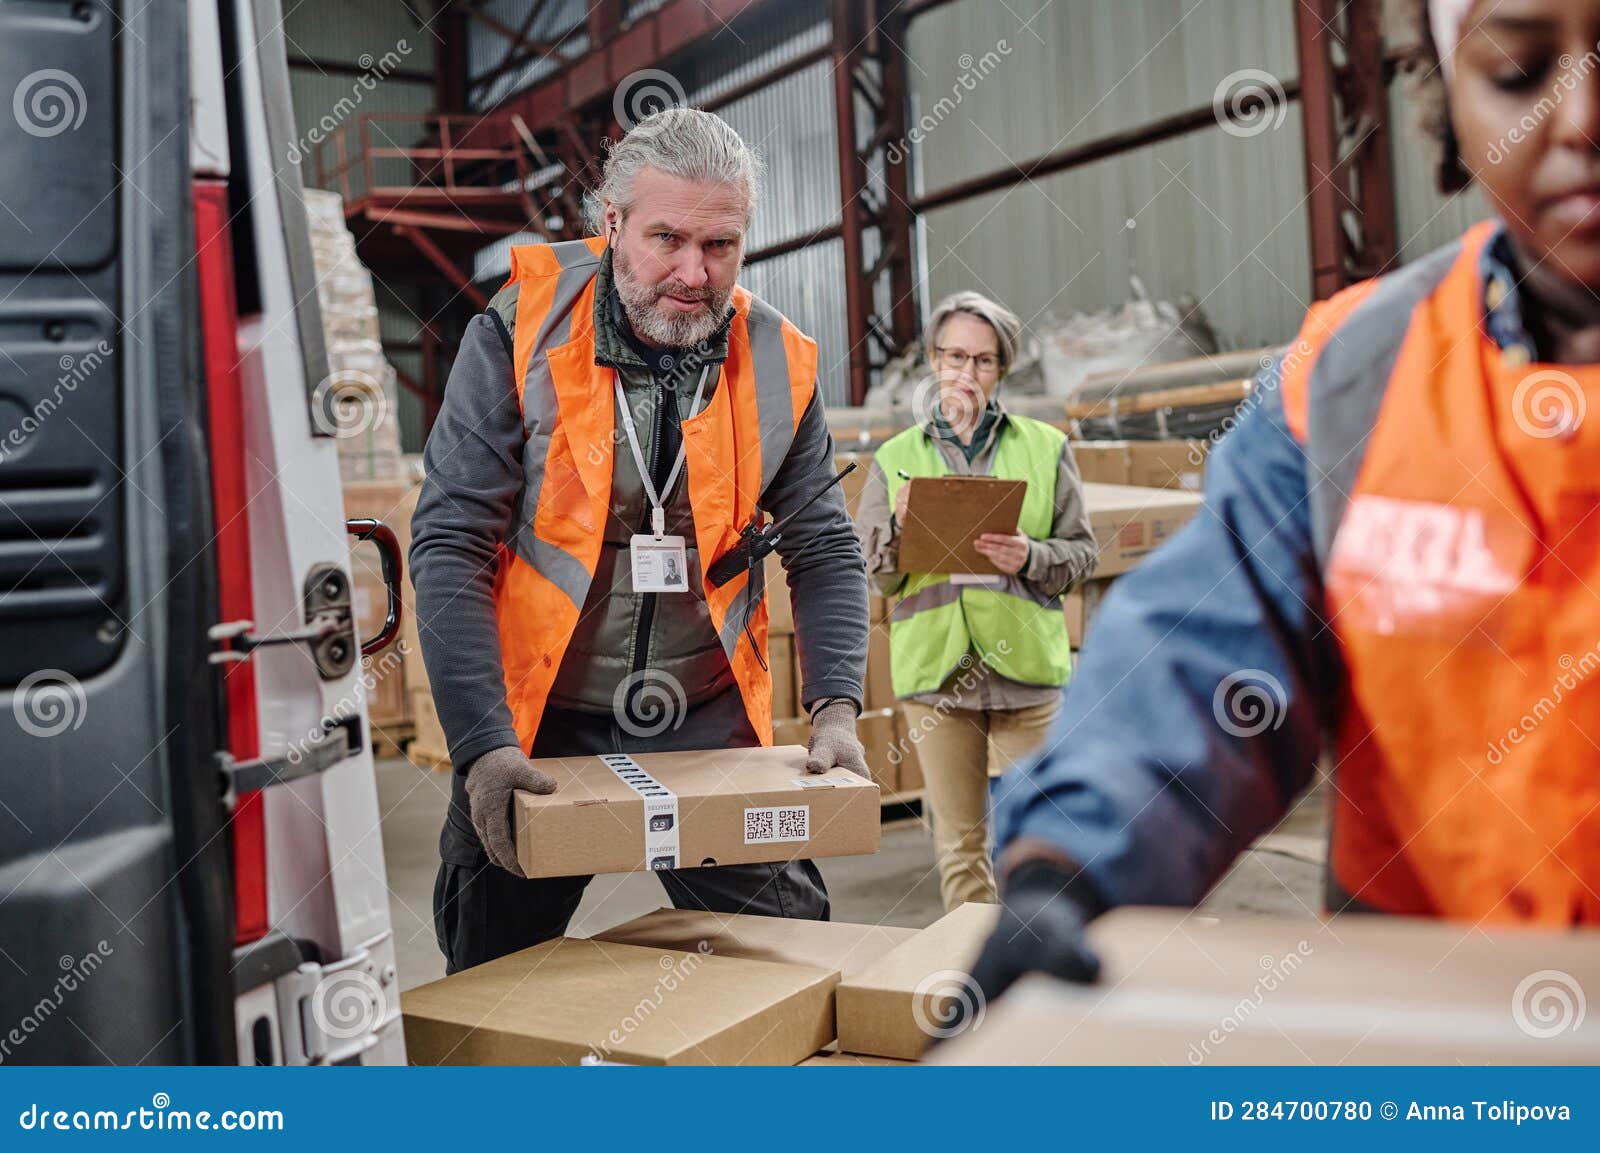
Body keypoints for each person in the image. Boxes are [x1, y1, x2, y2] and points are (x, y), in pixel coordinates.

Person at [966, 0, 1600, 1005]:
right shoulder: (1356, 376)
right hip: (1436, 1049)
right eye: (1519, 72)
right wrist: (1073, 862)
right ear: (1448, 104)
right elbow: (1212, 647)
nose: (1580, 119)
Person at [411, 108, 870, 975]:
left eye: (722, 246)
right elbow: (448, 544)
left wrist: (838, 707)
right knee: (489, 982)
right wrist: (482, 745)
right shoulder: (517, 335)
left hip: (702, 714)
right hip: (539, 724)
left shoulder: (779, 363)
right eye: (667, 239)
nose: (694, 274)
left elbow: (825, 549)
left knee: (790, 966)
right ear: (612, 223)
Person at [855, 291, 1097, 910]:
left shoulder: (1044, 447)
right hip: (938, 677)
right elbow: (875, 579)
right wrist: (904, 530)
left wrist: (1032, 556)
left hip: (1027, 676)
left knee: (1042, 841)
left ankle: (1043, 971)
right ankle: (982, 989)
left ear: (1001, 370)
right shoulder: (895, 459)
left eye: (983, 361)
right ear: (933, 361)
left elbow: (1083, 556)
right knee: (961, 850)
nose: (966, 373)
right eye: (955, 356)